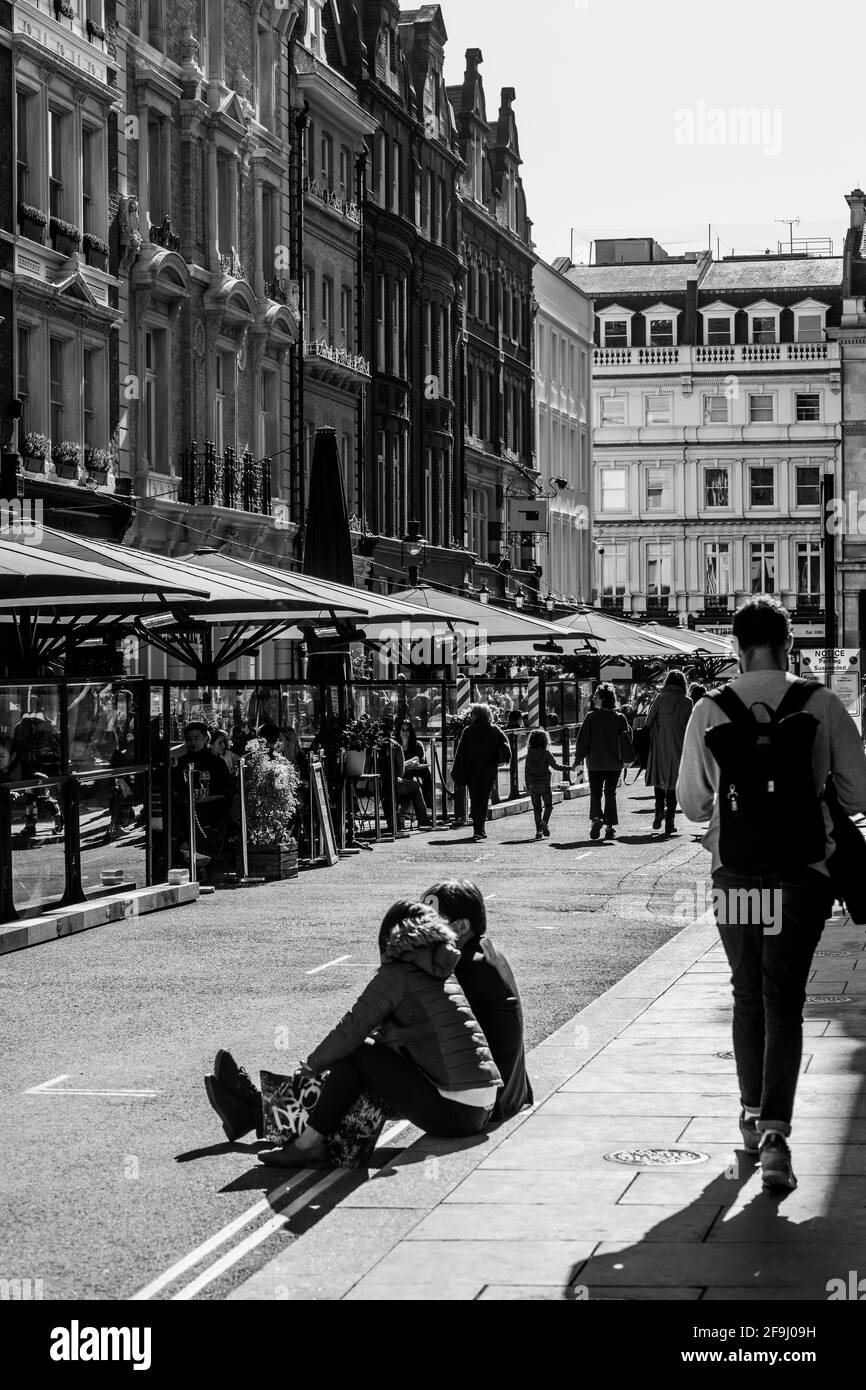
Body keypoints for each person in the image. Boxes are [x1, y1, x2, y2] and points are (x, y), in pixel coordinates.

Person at [677, 597, 866, 1192]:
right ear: (790, 644)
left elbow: (691, 803)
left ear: (737, 646)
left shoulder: (710, 709)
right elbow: (859, 796)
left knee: (746, 994)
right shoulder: (823, 703)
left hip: (736, 876)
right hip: (801, 877)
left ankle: (751, 1113)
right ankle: (778, 1138)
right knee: (784, 999)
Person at [205, 900, 503, 1161]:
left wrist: (312, 1066)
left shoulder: (399, 973)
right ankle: (257, 1109)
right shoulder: (436, 968)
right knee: (361, 1061)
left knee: (358, 1053)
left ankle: (294, 1134)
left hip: (456, 1111)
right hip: (476, 1106)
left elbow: (353, 1027)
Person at [423, 880, 533, 1120]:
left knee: (371, 1060)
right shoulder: (481, 952)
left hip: (491, 1102)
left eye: (431, 924)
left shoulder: (466, 967)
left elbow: (425, 1028)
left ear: (461, 926)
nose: (421, 932)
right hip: (509, 1094)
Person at [572, 683, 633, 841]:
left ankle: (597, 818)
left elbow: (582, 742)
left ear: (603, 698)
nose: (594, 697)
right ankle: (609, 827)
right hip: (614, 764)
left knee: (596, 793)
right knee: (610, 793)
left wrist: (577, 760)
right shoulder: (620, 718)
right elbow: (628, 739)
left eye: (596, 695)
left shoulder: (591, 717)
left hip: (595, 763)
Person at [171, 722, 234, 866]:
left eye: (197, 738)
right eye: (189, 739)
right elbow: (177, 787)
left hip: (211, 807)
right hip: (187, 805)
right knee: (177, 810)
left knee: (190, 813)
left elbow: (226, 790)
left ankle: (189, 848)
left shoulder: (216, 762)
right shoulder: (180, 761)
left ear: (206, 738)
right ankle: (189, 848)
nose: (192, 742)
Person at [450, 703, 512, 843]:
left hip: (473, 772)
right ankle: (480, 830)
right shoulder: (494, 729)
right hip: (489, 771)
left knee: (475, 799)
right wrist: (500, 759)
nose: (470, 716)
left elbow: (461, 753)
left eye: (472, 713)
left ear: (477, 715)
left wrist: (457, 772)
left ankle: (478, 830)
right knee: (483, 800)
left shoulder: (468, 731)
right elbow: (505, 747)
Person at [644, 670, 692, 836]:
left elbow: (648, 722)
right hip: (679, 745)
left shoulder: (660, 698)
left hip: (659, 745)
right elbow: (690, 727)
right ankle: (670, 821)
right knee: (674, 782)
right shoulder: (687, 701)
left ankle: (659, 810)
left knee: (659, 779)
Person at [524, 728, 567, 840]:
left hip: (533, 785)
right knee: (548, 806)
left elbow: (526, 771)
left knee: (537, 808)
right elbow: (556, 766)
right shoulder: (546, 753)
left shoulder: (529, 754)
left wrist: (528, 786)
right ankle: (544, 823)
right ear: (545, 741)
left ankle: (538, 831)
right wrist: (569, 768)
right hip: (544, 784)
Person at [397, 719, 433, 817]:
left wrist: (404, 764)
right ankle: (420, 819)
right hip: (399, 778)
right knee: (413, 786)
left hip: (415, 775)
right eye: (402, 730)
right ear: (399, 731)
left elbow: (419, 761)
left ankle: (404, 814)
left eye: (407, 730)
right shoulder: (395, 746)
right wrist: (408, 763)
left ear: (411, 732)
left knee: (416, 783)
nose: (405, 732)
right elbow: (397, 766)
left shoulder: (417, 745)